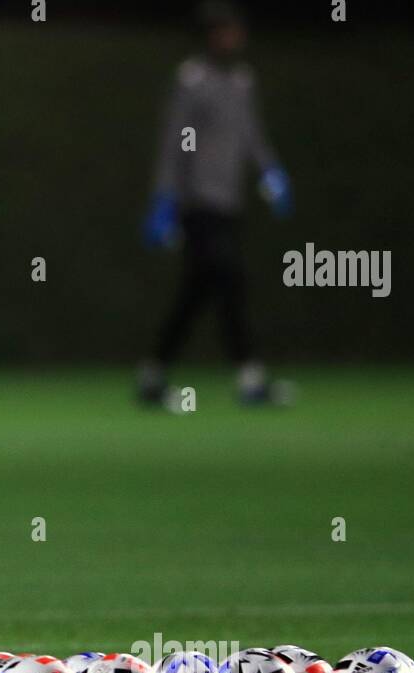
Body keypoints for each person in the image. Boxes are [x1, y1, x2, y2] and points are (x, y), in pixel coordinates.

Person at [139, 0, 292, 407]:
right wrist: (164, 198)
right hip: (198, 204)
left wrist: (271, 173)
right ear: (210, 37)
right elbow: (175, 142)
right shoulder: (192, 81)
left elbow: (251, 135)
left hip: (229, 203)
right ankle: (250, 378)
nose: (233, 38)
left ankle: (153, 375)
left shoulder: (243, 81)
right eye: (225, 31)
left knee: (198, 292)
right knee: (230, 279)